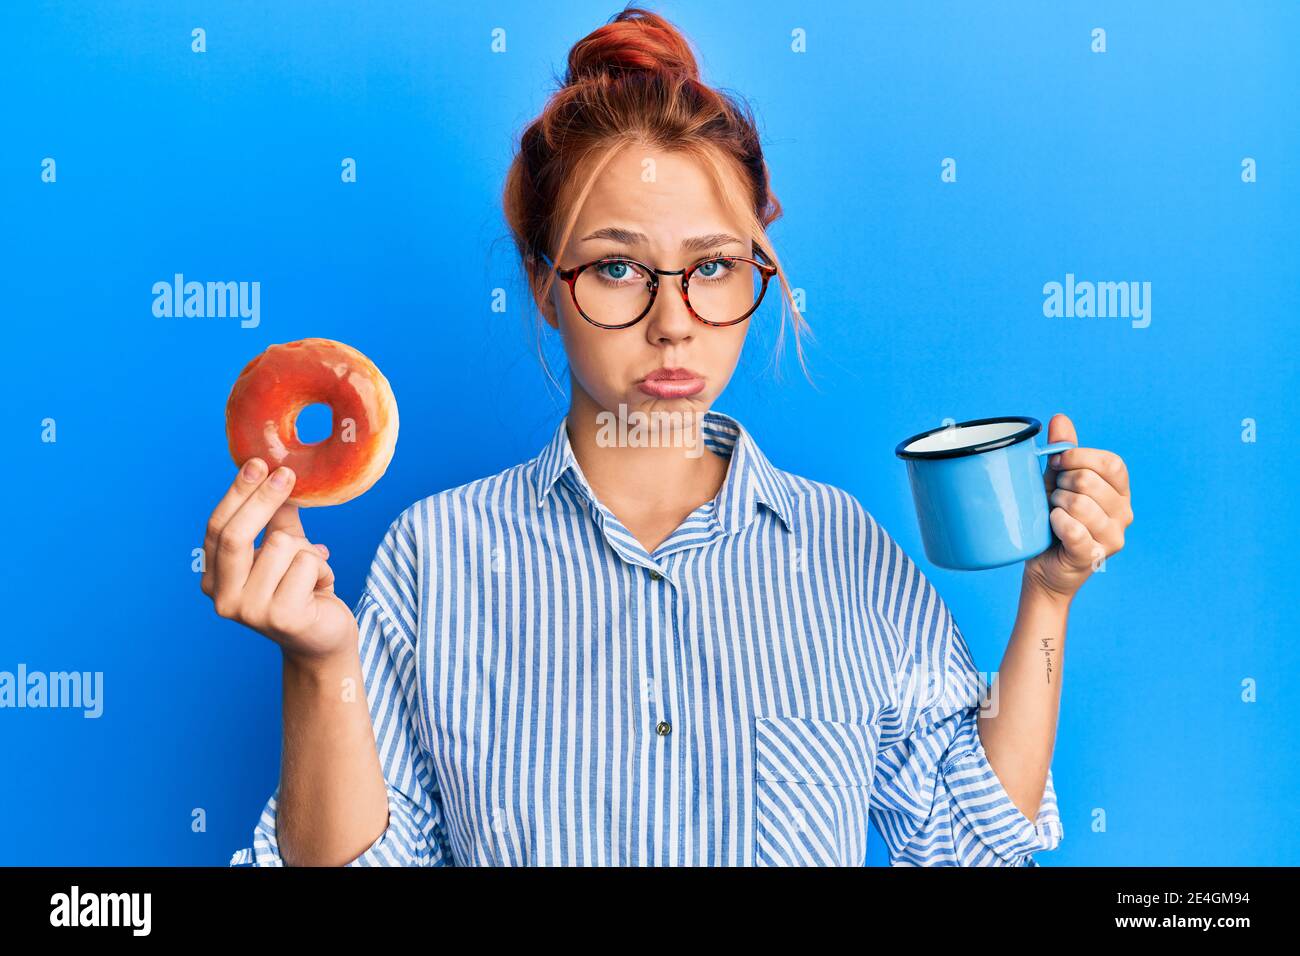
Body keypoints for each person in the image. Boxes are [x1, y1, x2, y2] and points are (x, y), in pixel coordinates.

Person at [209, 6, 1133, 867]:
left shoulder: (843, 548)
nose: (675, 321)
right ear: (544, 285)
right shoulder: (437, 557)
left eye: (714, 267)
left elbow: (970, 841)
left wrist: (1049, 598)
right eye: (618, 267)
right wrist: (319, 662)